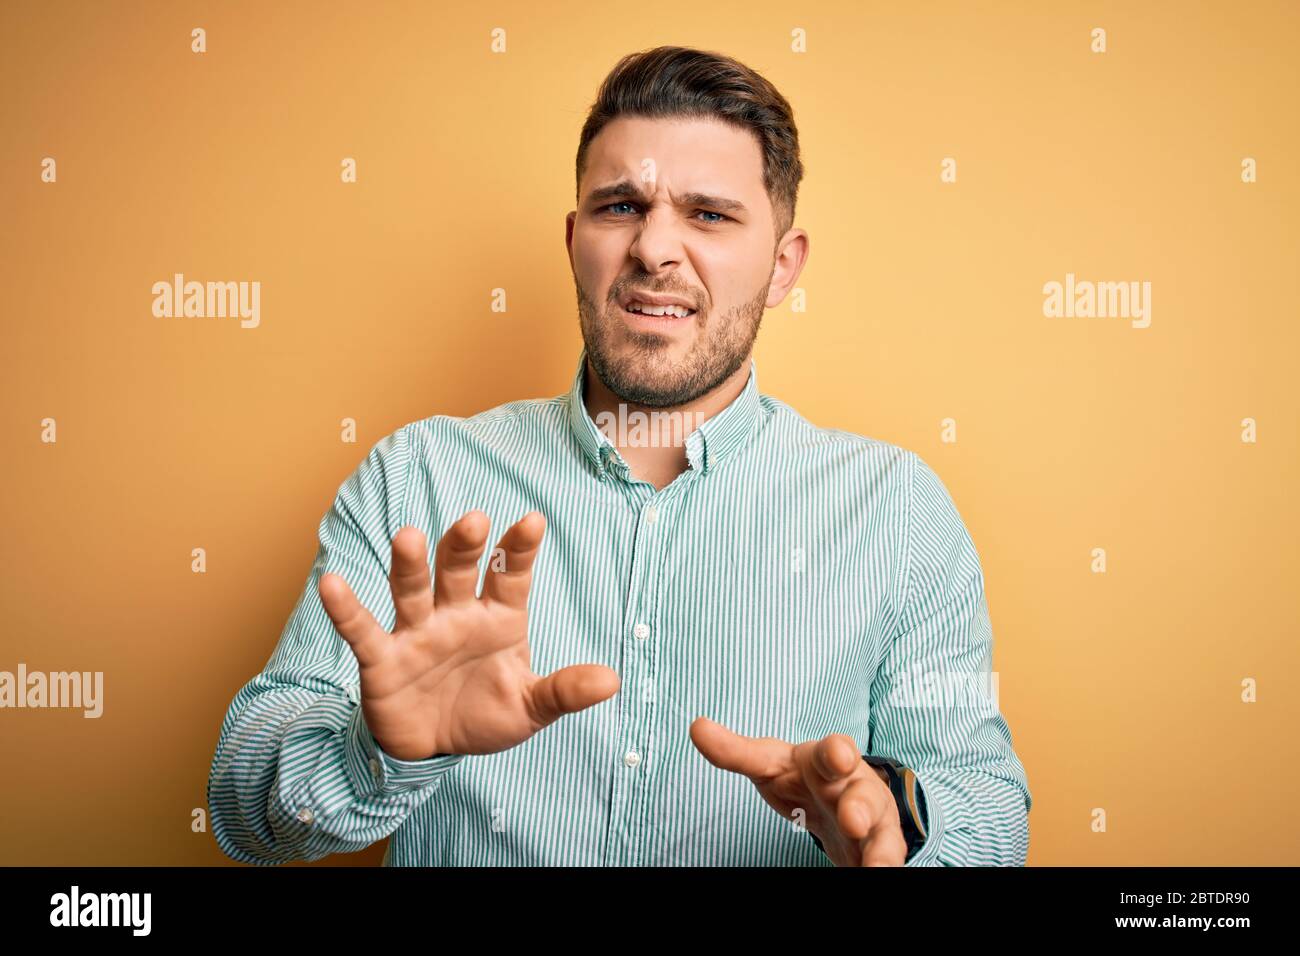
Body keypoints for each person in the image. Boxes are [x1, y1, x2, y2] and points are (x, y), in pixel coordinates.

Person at [207, 44, 1031, 867]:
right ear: (575, 240)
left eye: (708, 214)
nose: (654, 250)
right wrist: (378, 755)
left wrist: (894, 822)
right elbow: (240, 814)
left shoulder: (897, 508)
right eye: (620, 207)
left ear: (783, 266)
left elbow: (992, 816)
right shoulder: (416, 478)